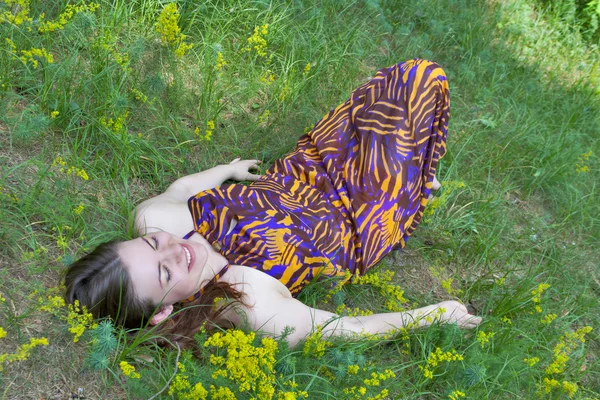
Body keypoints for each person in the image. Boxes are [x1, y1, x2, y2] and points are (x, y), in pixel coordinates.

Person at [64, 59, 482, 349]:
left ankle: (407, 172)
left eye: (152, 244)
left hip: (301, 172)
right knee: (426, 80)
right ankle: (411, 184)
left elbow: (181, 188)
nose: (173, 248)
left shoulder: (154, 218)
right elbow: (348, 328)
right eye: (164, 270)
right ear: (163, 312)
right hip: (353, 220)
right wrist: (435, 314)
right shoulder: (249, 305)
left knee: (401, 80)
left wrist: (227, 169)